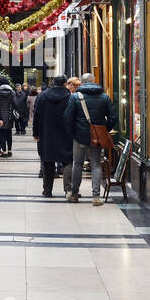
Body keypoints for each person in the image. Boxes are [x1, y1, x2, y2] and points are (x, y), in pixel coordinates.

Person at [63, 72, 117, 205]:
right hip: (97, 137)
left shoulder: (75, 96)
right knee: (96, 165)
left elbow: (67, 118)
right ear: (94, 81)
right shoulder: (104, 97)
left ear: (81, 82)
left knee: (77, 165)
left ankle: (74, 194)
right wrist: (103, 130)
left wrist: (73, 133)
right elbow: (113, 118)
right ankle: (96, 197)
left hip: (79, 137)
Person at [33, 75, 73, 197]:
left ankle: (47, 190)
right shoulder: (69, 97)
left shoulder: (42, 96)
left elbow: (37, 116)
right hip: (65, 133)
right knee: (67, 160)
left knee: (47, 161)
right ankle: (68, 190)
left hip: (46, 133)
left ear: (53, 83)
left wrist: (36, 133)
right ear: (65, 84)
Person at [0, 76, 16, 156]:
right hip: (9, 116)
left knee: (1, 134)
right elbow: (15, 103)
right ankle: (10, 151)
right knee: (9, 134)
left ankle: (4, 152)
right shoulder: (12, 92)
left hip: (0, 116)